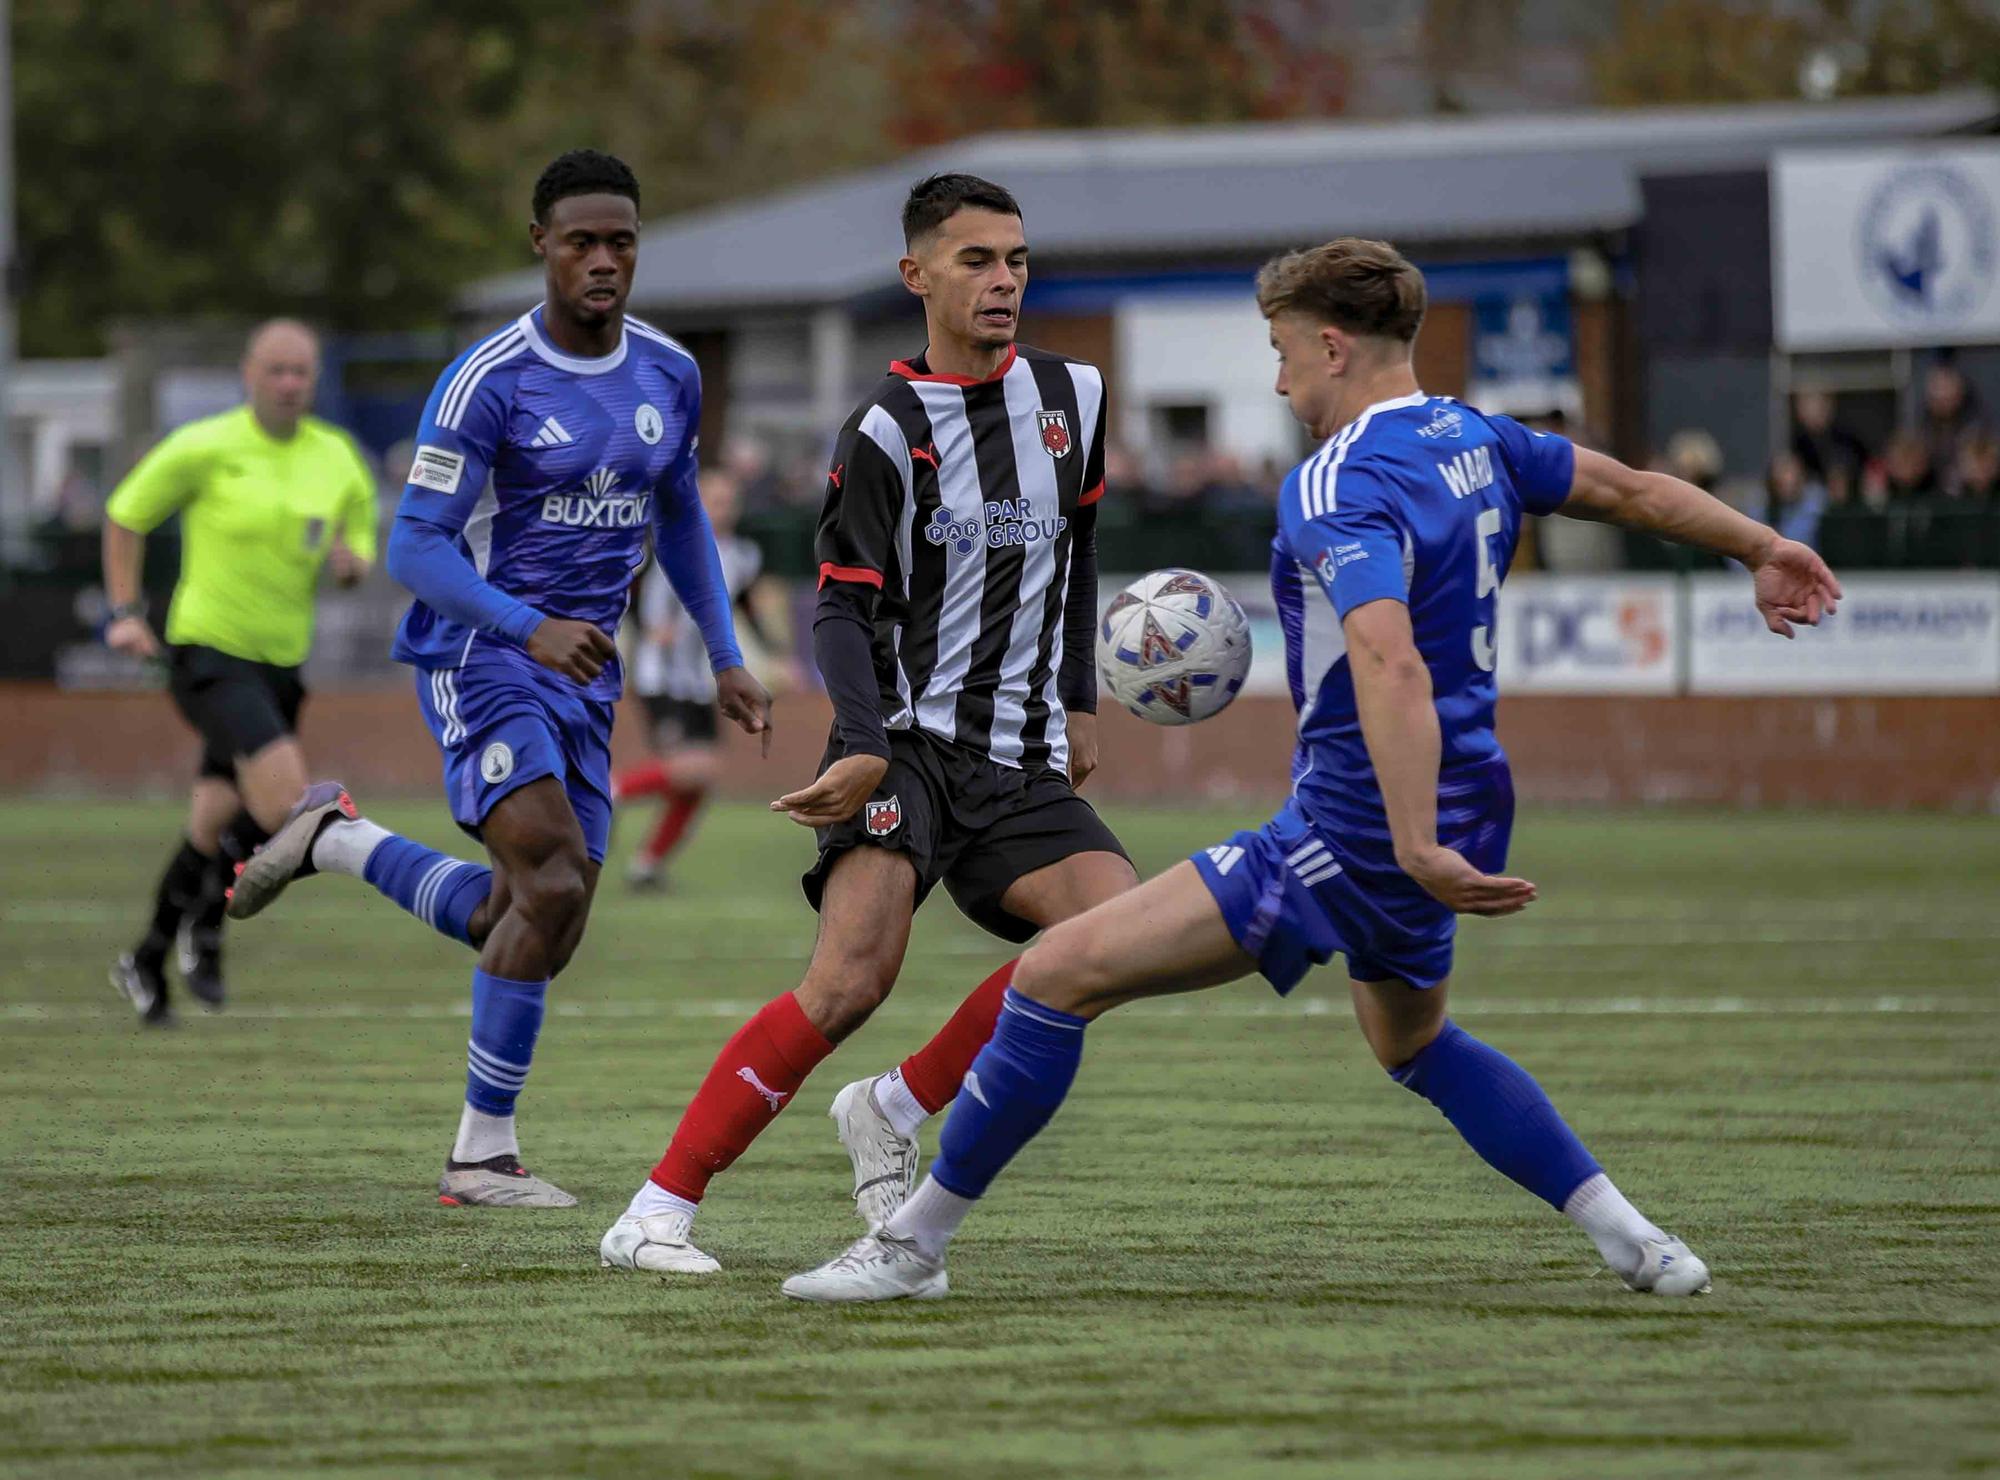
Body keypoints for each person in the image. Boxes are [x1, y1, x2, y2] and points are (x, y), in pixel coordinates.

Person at [783, 237, 1842, 1304]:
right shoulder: (1470, 435)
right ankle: (1639, 1242)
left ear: (1332, 347)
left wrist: (1409, 841)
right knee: (1412, 1041)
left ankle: (910, 1246)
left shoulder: (1333, 481)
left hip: (1361, 822)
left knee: (1055, 976)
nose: (1280, 379)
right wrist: (1760, 546)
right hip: (1470, 795)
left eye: (1282, 351)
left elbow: (1387, 659)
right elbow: (1629, 489)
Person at [596, 173, 1138, 1275]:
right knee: (849, 982)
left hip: (1021, 751)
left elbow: (1078, 558)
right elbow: (842, 606)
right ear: (916, 275)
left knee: (1111, 939)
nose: (1002, 281)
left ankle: (893, 1103)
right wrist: (860, 741)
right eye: (976, 260)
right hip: (902, 738)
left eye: (1016, 260)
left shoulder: (1073, 396)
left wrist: (1079, 700)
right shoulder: (887, 429)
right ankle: (654, 1210)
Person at [226, 149, 772, 1207]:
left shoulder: (669, 371)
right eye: (581, 242)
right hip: (481, 656)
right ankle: (480, 1158)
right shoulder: (489, 378)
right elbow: (414, 546)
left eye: (621, 242)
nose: (603, 261)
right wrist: (528, 627)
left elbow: (679, 517)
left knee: (534, 921)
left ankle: (338, 838)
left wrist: (725, 655)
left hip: (584, 678)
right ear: (541, 246)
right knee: (551, 883)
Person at [101, 320, 376, 1024]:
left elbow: (359, 544)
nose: (288, 384)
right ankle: (208, 929)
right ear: (249, 374)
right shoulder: (207, 445)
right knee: (287, 805)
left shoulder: (337, 456)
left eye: (300, 372)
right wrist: (126, 611)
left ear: (315, 380)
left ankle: (147, 956)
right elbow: (125, 515)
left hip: (283, 664)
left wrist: (351, 565)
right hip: (209, 652)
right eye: (275, 370)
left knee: (213, 823)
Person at [614, 468, 784, 889]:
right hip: (661, 675)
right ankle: (610, 792)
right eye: (714, 500)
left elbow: (745, 606)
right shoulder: (665, 541)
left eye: (729, 501)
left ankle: (647, 866)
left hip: (700, 679)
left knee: (698, 782)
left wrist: (777, 653)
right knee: (693, 767)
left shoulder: (742, 554)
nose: (723, 509)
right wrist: (647, 629)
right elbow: (628, 589)